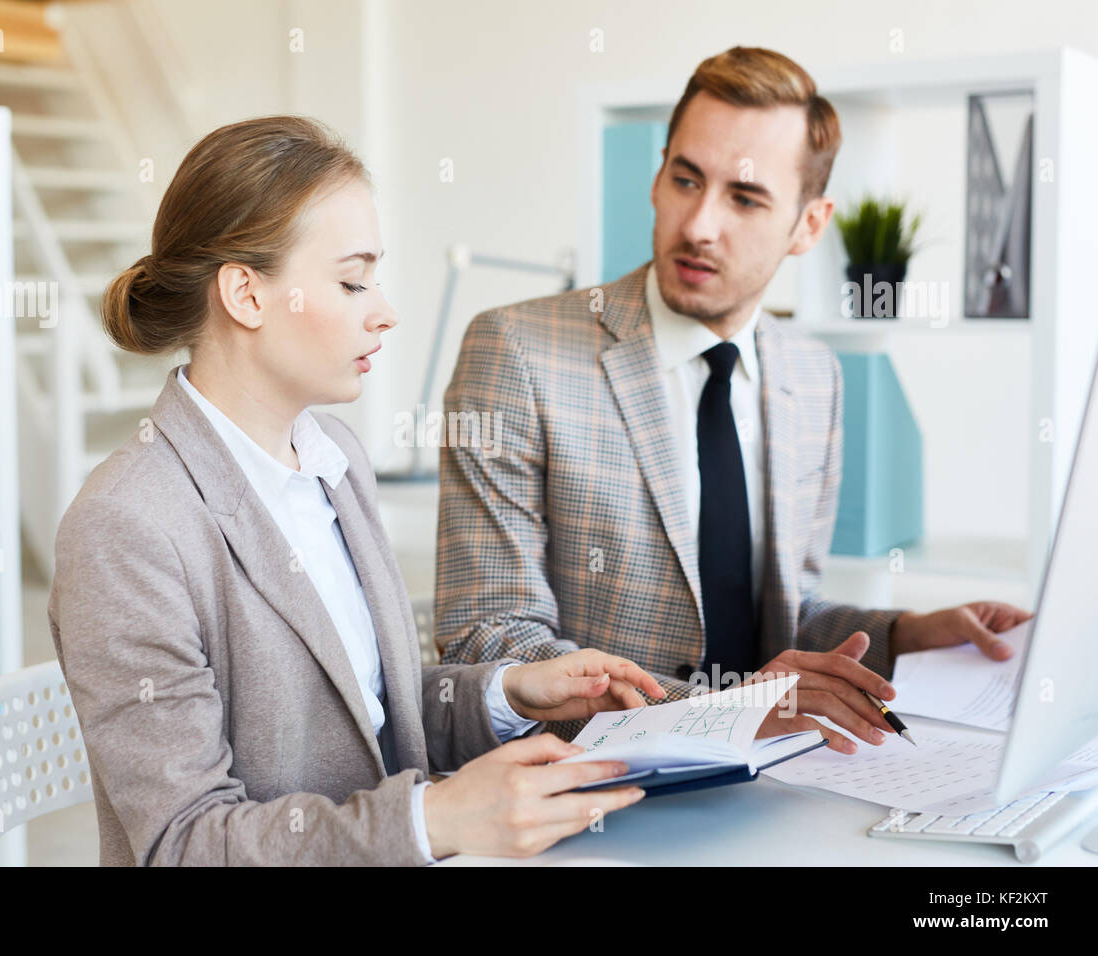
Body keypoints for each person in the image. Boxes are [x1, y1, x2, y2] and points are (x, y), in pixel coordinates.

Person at [47, 116, 669, 866]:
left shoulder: (333, 457)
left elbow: (370, 714)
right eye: (351, 280)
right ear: (245, 294)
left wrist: (508, 694)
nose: (385, 310)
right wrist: (431, 820)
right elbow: (183, 844)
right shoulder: (127, 526)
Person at [434, 46, 1031, 749]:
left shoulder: (816, 378)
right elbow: (487, 640)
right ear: (658, 176)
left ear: (809, 225)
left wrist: (908, 635)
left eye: (745, 198)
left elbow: (779, 614)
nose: (699, 225)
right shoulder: (517, 350)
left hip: (778, 774)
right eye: (686, 179)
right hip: (596, 797)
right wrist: (720, 711)